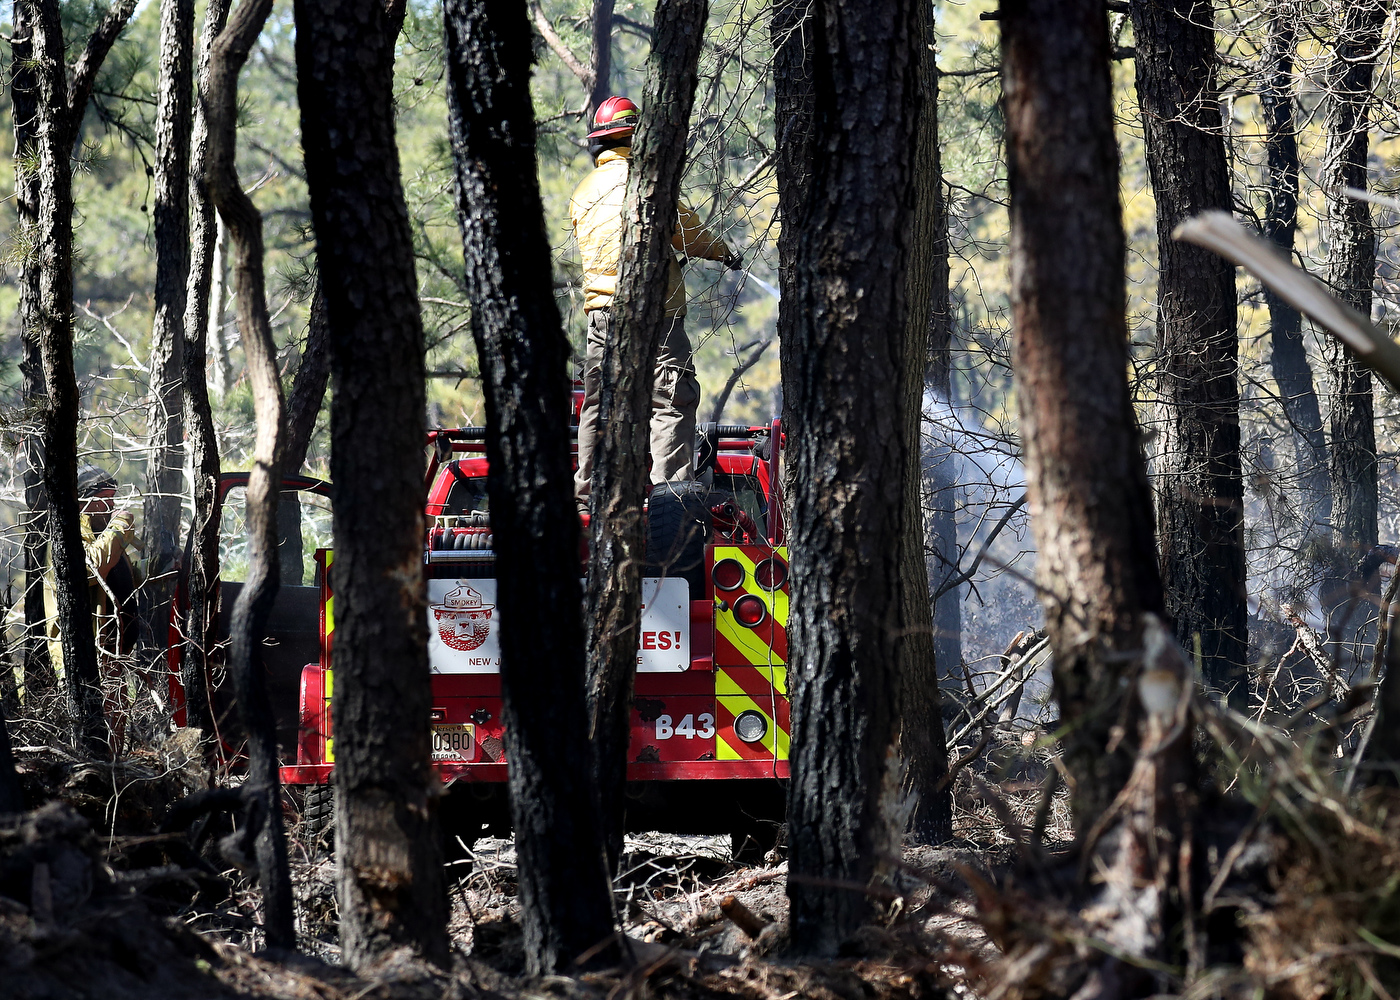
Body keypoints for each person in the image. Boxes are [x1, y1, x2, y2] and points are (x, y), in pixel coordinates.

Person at [570, 95, 741, 508]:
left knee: (598, 403)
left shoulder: (583, 193)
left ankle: (586, 495)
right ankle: (672, 499)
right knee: (671, 400)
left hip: (601, 318)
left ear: (599, 143)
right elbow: (689, 234)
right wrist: (724, 253)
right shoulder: (649, 183)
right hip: (658, 316)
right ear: (637, 137)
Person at [42, 464, 140, 676]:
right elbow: (89, 570)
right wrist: (120, 526)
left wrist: (161, 565)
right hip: (85, 663)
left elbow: (122, 574)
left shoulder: (103, 535)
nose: (111, 505)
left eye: (112, 498)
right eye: (104, 499)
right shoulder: (68, 536)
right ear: (82, 503)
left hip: (113, 658)